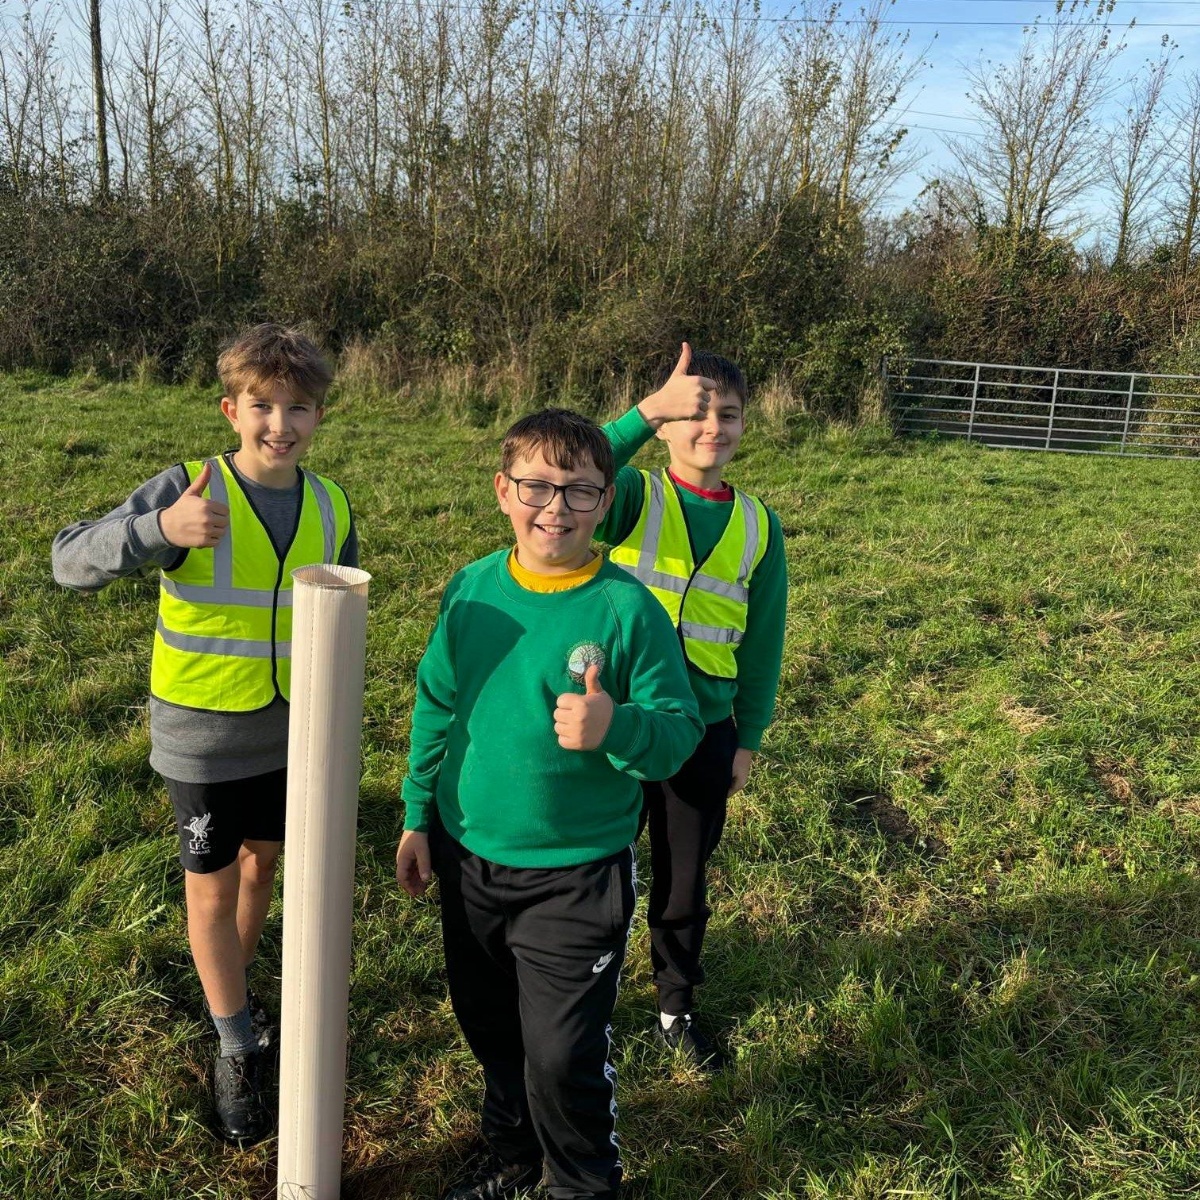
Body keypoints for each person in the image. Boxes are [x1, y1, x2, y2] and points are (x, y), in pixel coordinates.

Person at [51, 323, 357, 1145]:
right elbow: (67, 561)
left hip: (297, 734)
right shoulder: (189, 488)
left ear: (320, 416)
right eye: (262, 406)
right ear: (231, 409)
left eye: (299, 408)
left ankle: (238, 998)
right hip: (207, 741)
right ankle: (236, 1043)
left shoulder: (332, 505)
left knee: (262, 868)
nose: (280, 425)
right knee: (212, 887)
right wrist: (157, 534)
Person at [395, 408, 703, 1200]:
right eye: (536, 486)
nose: (555, 508)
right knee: (492, 1028)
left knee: (562, 1053)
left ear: (607, 502)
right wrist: (416, 815)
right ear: (503, 490)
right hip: (469, 858)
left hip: (577, 874)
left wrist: (616, 725)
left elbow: (678, 735)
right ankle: (512, 1155)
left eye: (578, 492)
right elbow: (436, 703)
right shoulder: (471, 591)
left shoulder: (628, 610)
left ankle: (582, 1182)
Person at [597, 344, 788, 1069]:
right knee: (597, 870)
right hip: (616, 722)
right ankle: (588, 995)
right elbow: (575, 470)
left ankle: (675, 1007)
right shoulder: (634, 497)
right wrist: (645, 411)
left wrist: (749, 736)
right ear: (669, 427)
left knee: (684, 881)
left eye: (729, 414)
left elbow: (764, 642)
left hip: (704, 734)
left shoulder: (759, 526)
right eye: (696, 413)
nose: (714, 427)